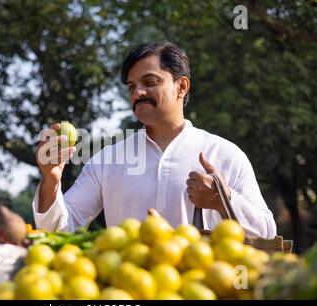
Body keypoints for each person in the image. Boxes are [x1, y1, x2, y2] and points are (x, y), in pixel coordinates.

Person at [32, 41, 277, 239]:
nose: (137, 93)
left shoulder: (224, 154)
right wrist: (51, 179)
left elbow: (267, 233)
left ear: (181, 87)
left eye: (150, 82)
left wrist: (224, 201)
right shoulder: (107, 160)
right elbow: (59, 232)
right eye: (131, 87)